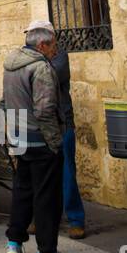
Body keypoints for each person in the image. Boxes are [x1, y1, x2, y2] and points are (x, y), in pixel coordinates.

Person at [3, 21, 82, 253]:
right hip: (39, 140)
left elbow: (6, 103)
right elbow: (45, 109)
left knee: (23, 190)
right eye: (53, 46)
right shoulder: (41, 68)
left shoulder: (11, 63)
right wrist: (55, 142)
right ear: (42, 44)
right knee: (47, 197)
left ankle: (14, 240)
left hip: (20, 139)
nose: (55, 51)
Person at [51, 45, 86, 238]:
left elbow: (51, 76)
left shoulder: (60, 57)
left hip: (62, 124)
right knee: (39, 175)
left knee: (67, 173)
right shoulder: (35, 59)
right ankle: (41, 217)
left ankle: (75, 219)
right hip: (39, 126)